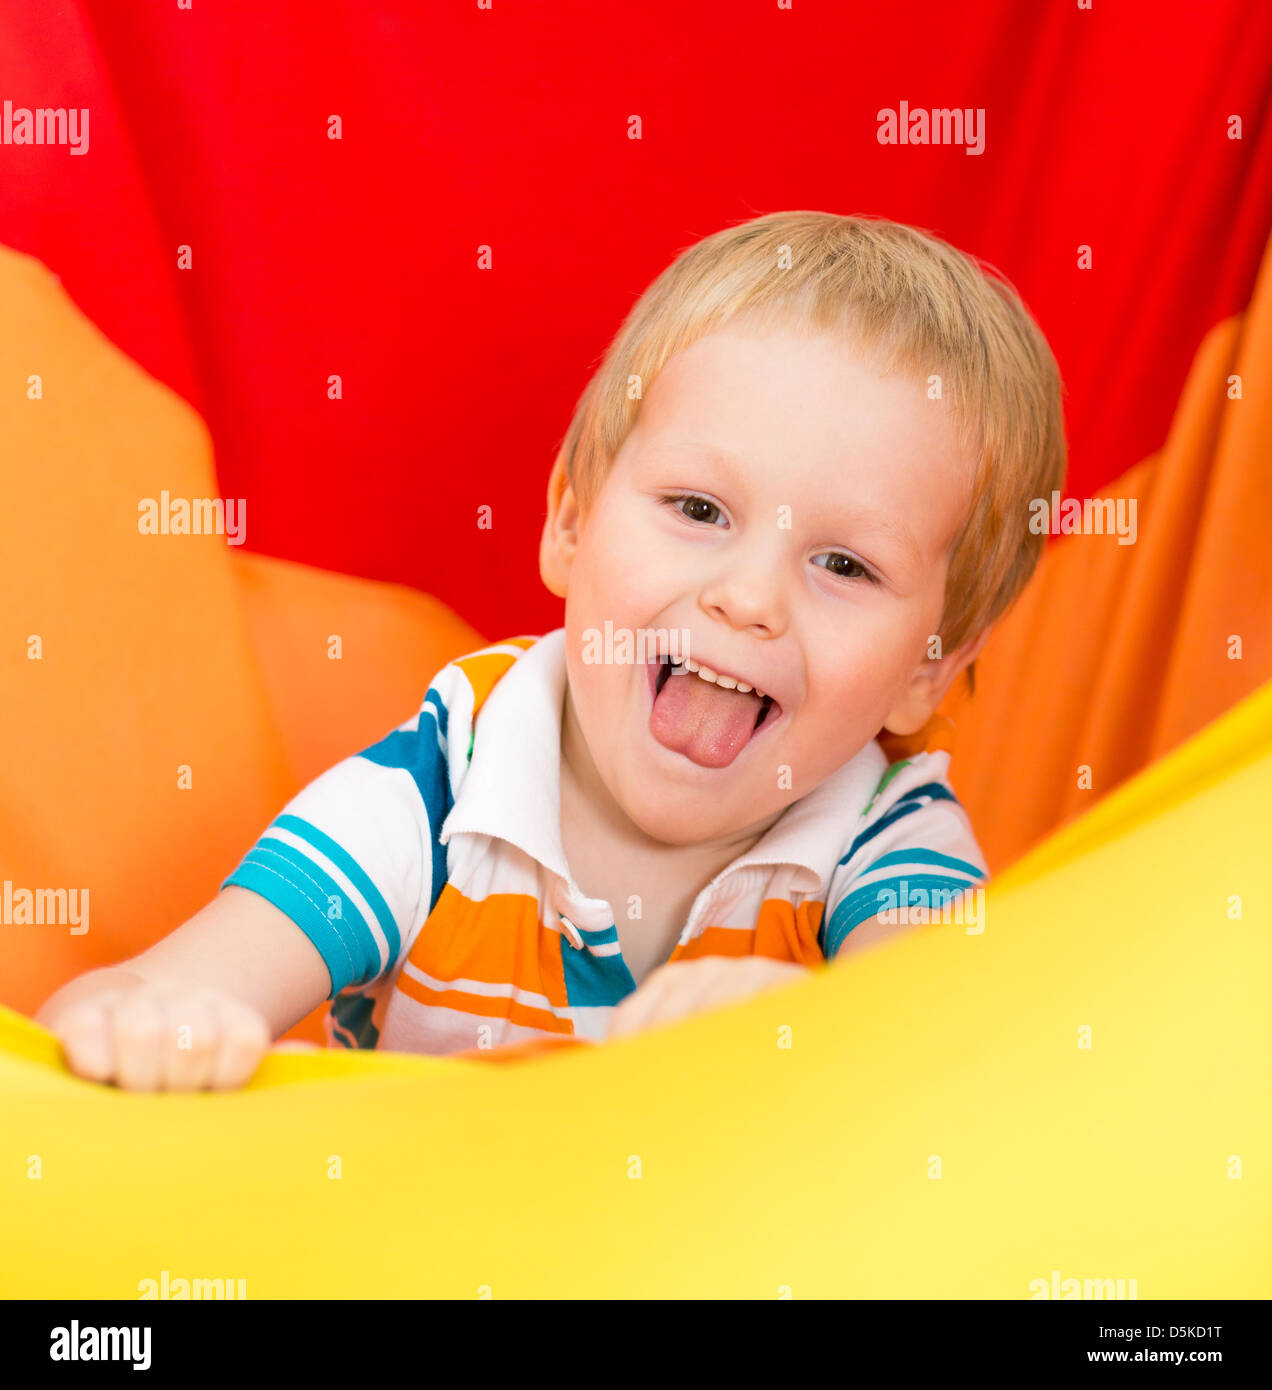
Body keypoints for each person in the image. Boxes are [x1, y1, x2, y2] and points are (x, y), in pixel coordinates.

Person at [36, 211, 1066, 1088]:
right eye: (700, 508)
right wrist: (150, 1026)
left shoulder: (887, 831)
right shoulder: (445, 783)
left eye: (845, 566)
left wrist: (820, 1029)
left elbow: (962, 1063)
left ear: (930, 663)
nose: (750, 598)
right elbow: (139, 996)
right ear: (571, 523)